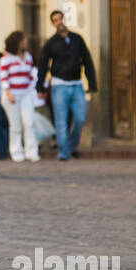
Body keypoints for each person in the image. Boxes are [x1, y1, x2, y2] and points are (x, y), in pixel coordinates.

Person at [37, 9, 98, 161]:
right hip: (59, 85)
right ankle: (63, 152)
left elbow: (87, 61)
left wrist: (92, 83)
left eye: (60, 19)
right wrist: (40, 86)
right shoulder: (51, 43)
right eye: (55, 20)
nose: (59, 22)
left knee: (80, 117)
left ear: (65, 20)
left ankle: (72, 145)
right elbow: (43, 64)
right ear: (53, 24)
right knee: (61, 121)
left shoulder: (77, 39)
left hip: (76, 84)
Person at [0, 31, 40, 162]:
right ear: (17, 42)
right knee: (15, 125)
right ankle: (16, 152)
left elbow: (30, 75)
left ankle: (32, 152)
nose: (26, 42)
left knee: (29, 122)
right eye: (24, 40)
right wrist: (8, 92)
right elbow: (4, 77)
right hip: (12, 94)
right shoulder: (6, 59)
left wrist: (32, 88)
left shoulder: (28, 57)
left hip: (26, 93)